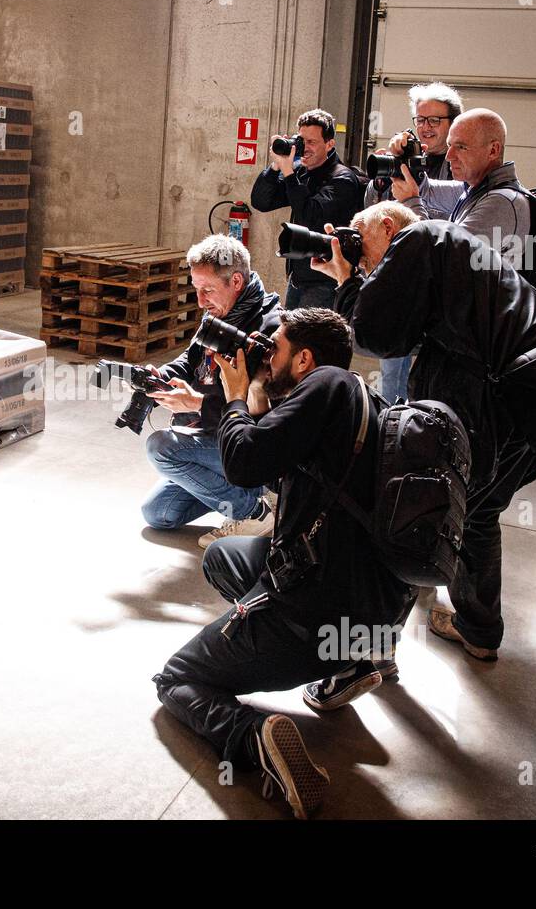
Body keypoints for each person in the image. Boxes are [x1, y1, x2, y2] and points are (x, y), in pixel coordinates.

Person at [153, 307, 409, 818]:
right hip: (374, 616)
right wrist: (255, 394)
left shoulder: (326, 384)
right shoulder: (360, 400)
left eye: (278, 350)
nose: (269, 357)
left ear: (306, 359)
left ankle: (254, 738)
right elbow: (274, 474)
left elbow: (243, 464)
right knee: (226, 557)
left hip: (314, 614)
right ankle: (352, 662)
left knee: (176, 679)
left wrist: (231, 396)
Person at [313, 201, 536, 663]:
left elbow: (372, 336)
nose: (362, 256)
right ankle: (479, 629)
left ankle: (369, 649)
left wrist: (348, 282)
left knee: (422, 506)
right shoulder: (449, 252)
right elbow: (404, 333)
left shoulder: (417, 237)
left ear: (388, 227)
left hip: (501, 408)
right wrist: (353, 274)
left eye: (361, 241)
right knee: (479, 511)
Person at [143, 234, 282, 548]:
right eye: (196, 289)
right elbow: (189, 359)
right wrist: (159, 376)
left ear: (235, 281)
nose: (201, 301)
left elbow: (258, 406)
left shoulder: (270, 326)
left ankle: (258, 511)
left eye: (207, 290)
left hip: (253, 446)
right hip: (215, 437)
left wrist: (195, 403)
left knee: (161, 446)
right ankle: (241, 496)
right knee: (158, 513)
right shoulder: (218, 313)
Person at [364, 81, 463, 404]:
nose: (426, 128)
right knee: (392, 372)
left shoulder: (460, 166)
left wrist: (416, 197)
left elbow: (447, 225)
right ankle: (393, 432)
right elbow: (375, 209)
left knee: (435, 378)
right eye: (420, 120)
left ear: (453, 122)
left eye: (435, 120)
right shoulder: (407, 157)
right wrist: (385, 173)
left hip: (442, 291)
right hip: (403, 284)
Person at [389, 108, 532, 270]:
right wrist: (408, 159)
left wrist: (411, 202)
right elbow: (426, 191)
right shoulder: (475, 190)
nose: (449, 156)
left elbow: (439, 258)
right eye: (450, 145)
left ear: (493, 150)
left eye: (461, 147)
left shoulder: (501, 203)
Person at [249, 109, 361, 310]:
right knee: (291, 337)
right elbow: (261, 201)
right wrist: (276, 166)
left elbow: (311, 215)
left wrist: (289, 173)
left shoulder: (342, 179)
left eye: (312, 142)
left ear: (329, 144)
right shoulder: (300, 171)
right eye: (301, 141)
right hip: (298, 276)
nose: (304, 148)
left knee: (306, 339)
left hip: (326, 280)